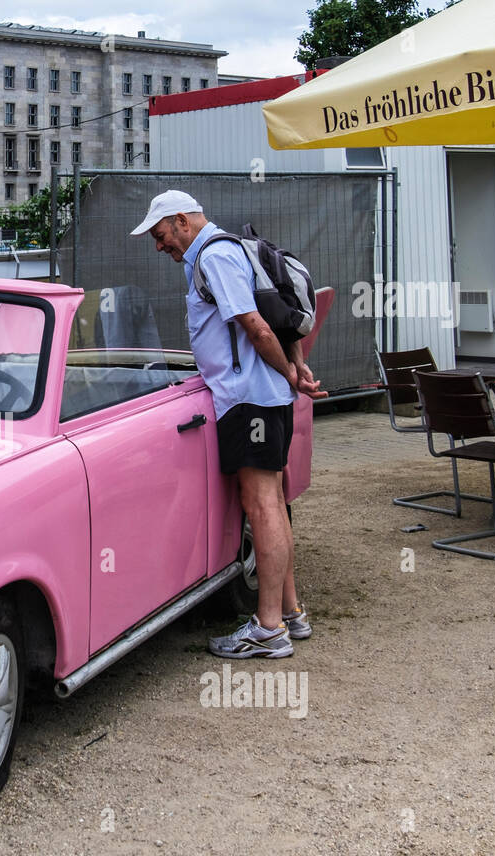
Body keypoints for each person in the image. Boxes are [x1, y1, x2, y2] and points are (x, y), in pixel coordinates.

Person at [130, 190, 326, 659]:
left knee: (260, 507)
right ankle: (291, 613)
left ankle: (268, 628)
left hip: (248, 400)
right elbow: (282, 322)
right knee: (273, 505)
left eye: (160, 236)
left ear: (181, 221)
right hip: (266, 396)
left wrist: (290, 376)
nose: (160, 247)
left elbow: (258, 328)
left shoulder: (214, 257)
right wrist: (293, 371)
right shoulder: (235, 248)